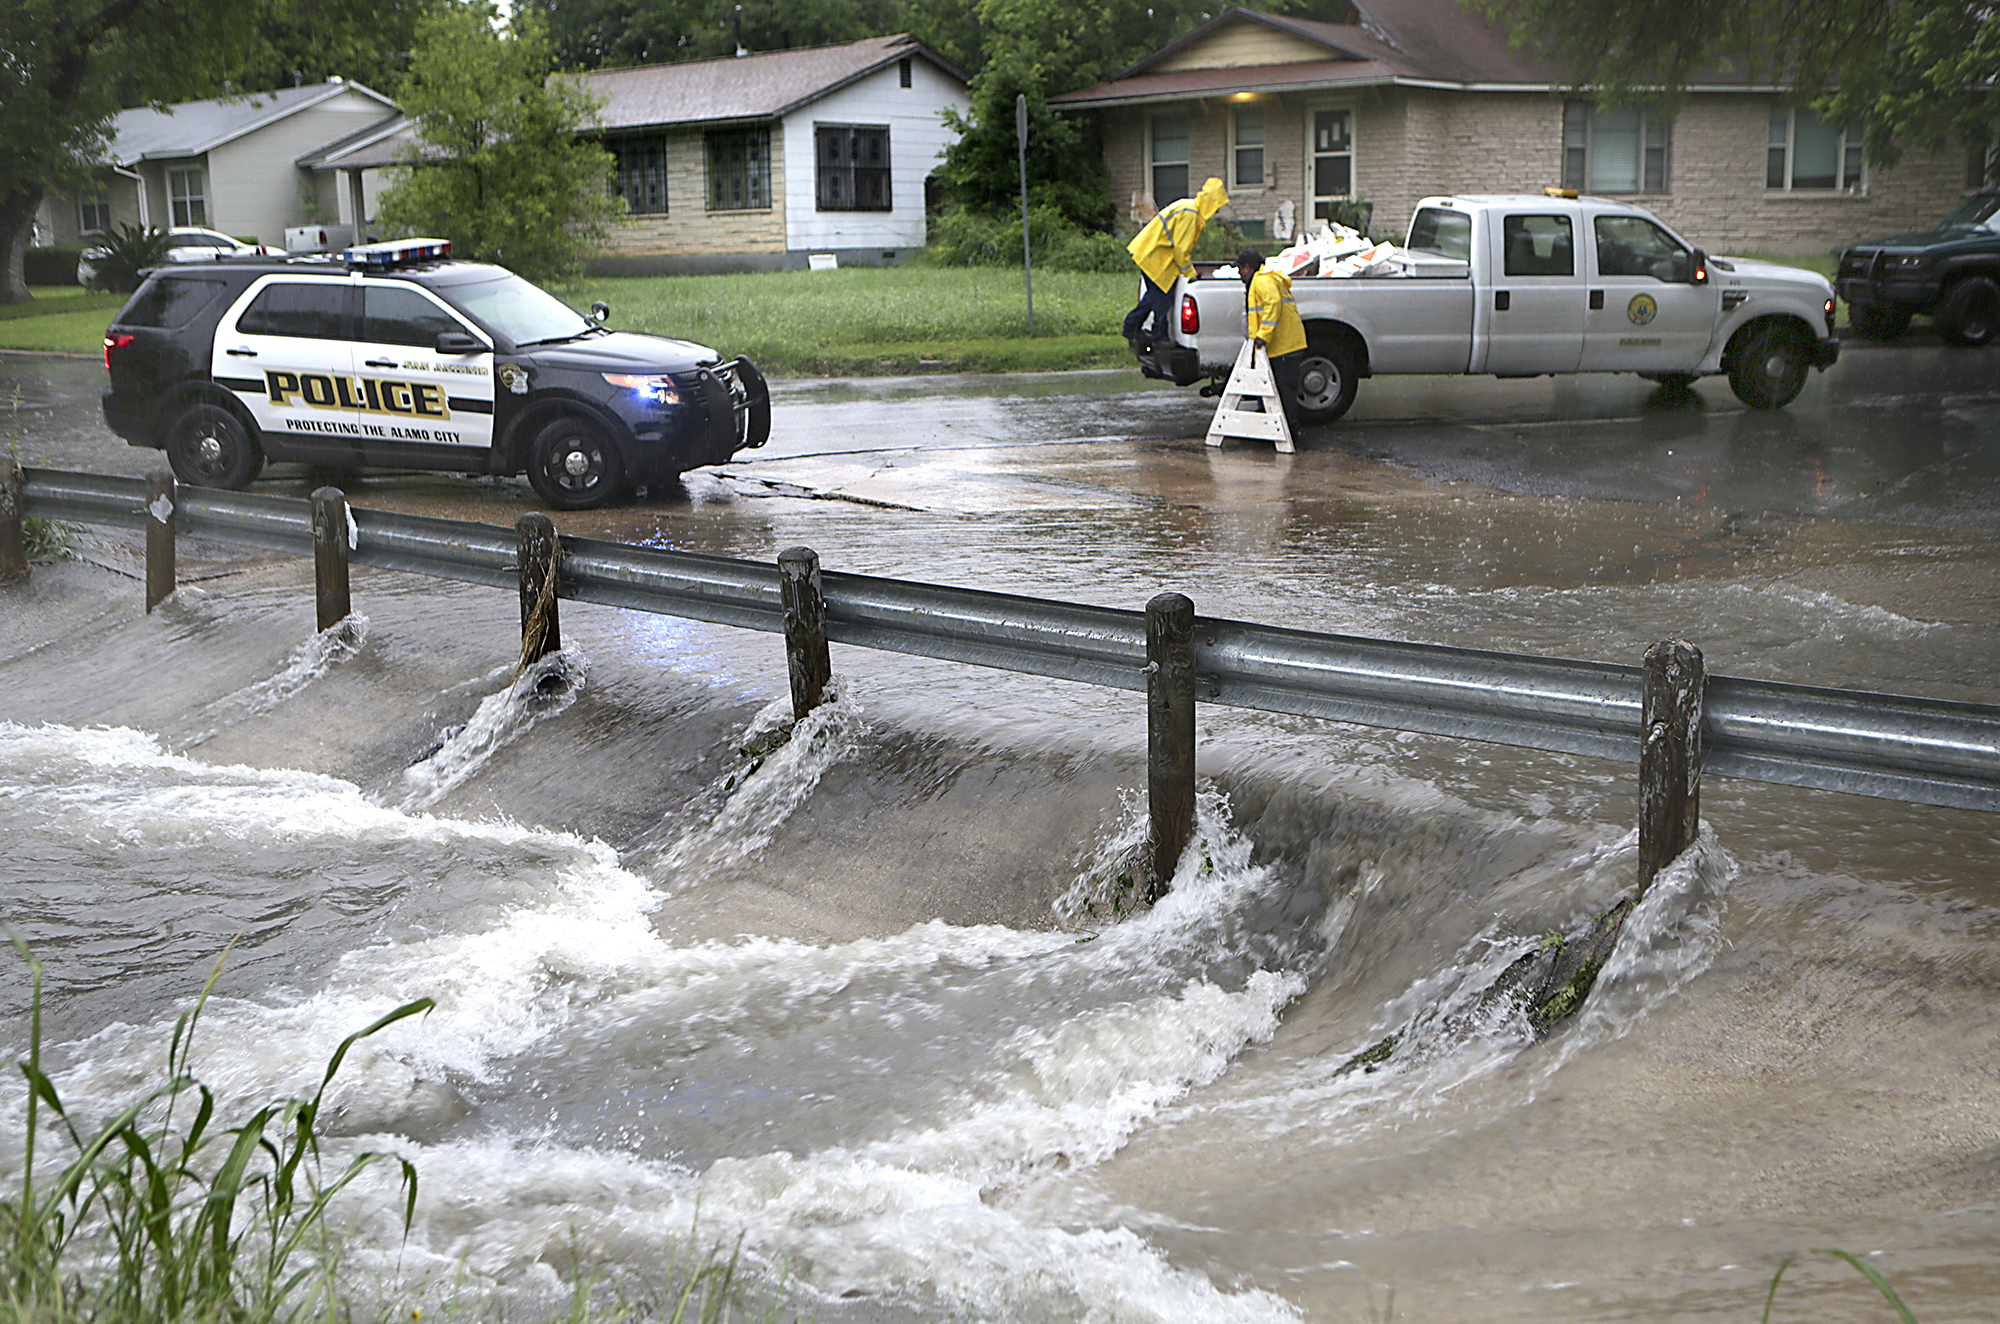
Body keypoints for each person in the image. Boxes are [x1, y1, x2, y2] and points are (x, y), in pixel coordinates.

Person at [1124, 177, 1229, 348]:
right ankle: (1159, 336)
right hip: (1155, 256)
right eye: (1217, 205)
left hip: (1150, 252)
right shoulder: (1191, 214)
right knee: (1162, 298)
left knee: (1154, 296)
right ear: (1211, 201)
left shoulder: (1188, 207)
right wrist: (1191, 274)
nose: (1217, 210)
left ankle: (1132, 327)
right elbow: (1181, 251)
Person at [1238, 247, 1307, 434]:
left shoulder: (1262, 281)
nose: (1239, 275)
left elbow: (1272, 304)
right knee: (1274, 390)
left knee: (1283, 393)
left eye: (1239, 270)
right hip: (1285, 345)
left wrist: (1262, 336)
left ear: (1247, 268)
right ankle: (1273, 430)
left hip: (1284, 347)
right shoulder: (1267, 278)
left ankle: (1290, 432)